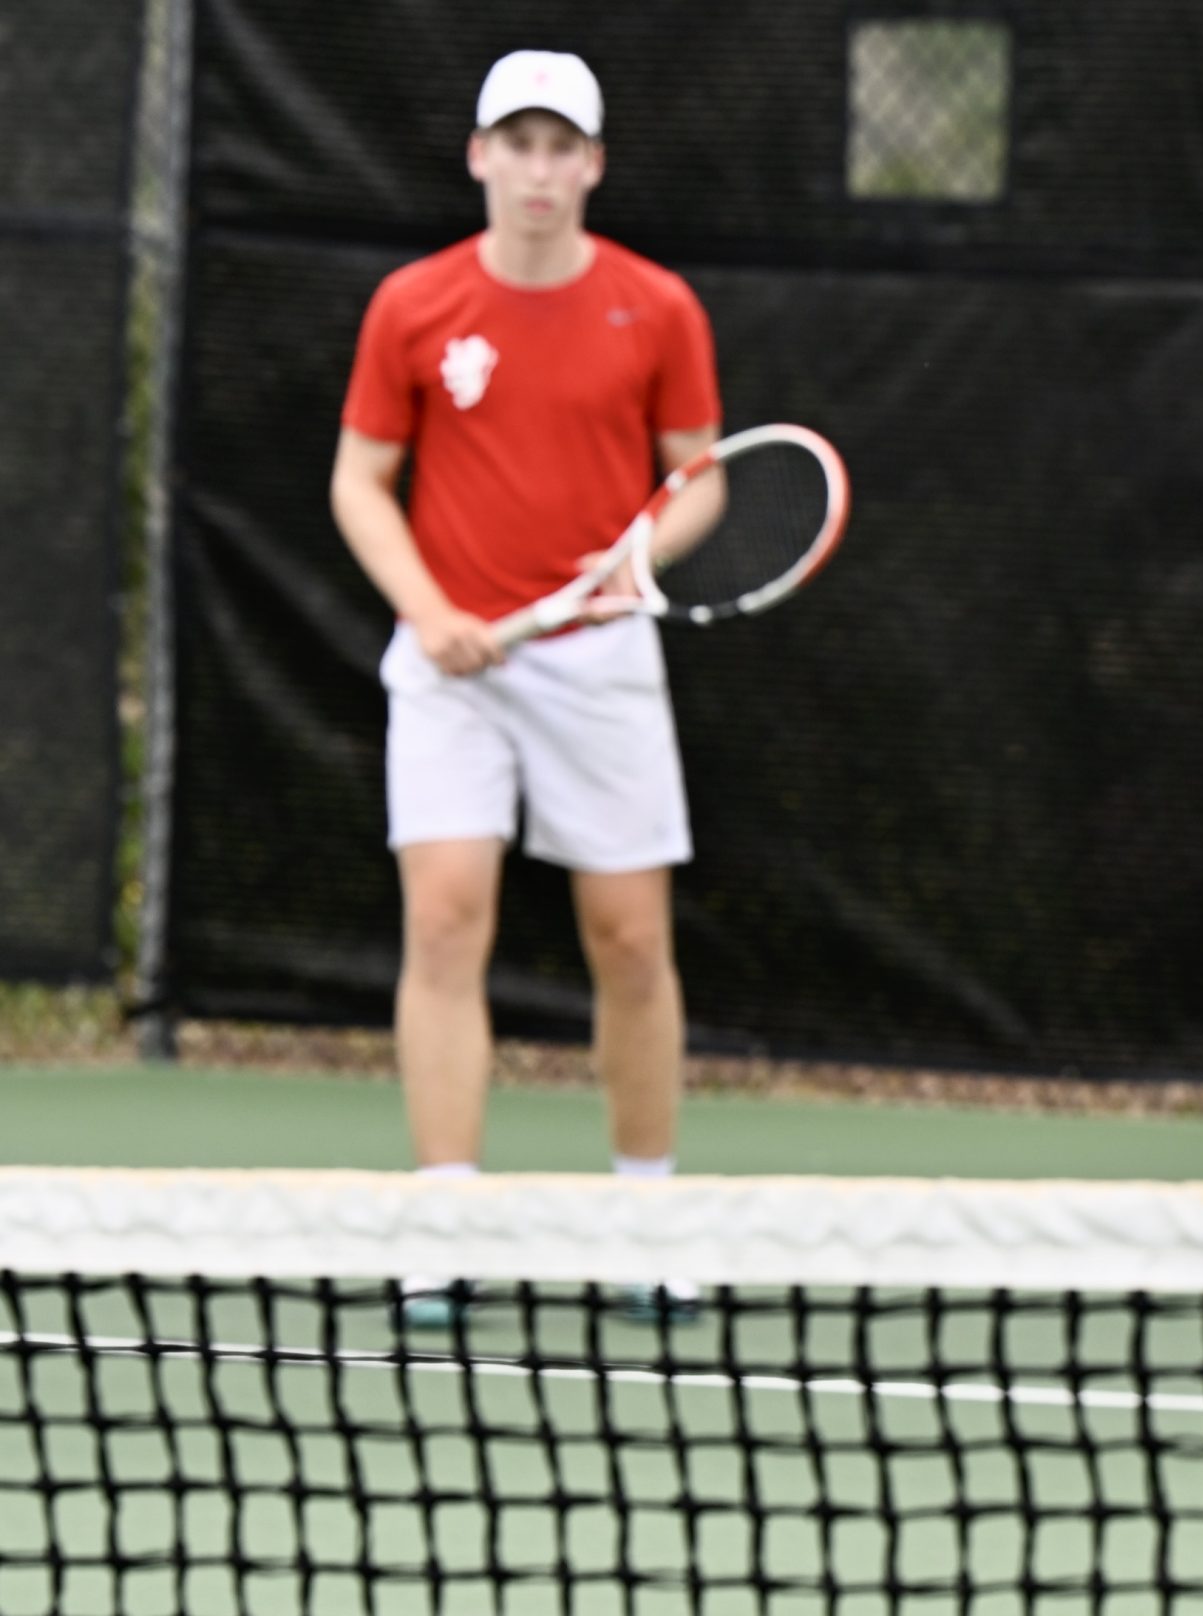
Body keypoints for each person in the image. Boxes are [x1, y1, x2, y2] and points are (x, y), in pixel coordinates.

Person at [330, 50, 716, 1325]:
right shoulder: (413, 306)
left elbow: (701, 479)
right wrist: (430, 614)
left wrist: (633, 563)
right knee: (443, 923)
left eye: (564, 147)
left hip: (599, 662)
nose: (540, 168)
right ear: (479, 155)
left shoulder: (657, 308)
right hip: (449, 668)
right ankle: (445, 1219)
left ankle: (644, 1220)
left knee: (630, 938)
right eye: (519, 142)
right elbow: (359, 482)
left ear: (593, 166)